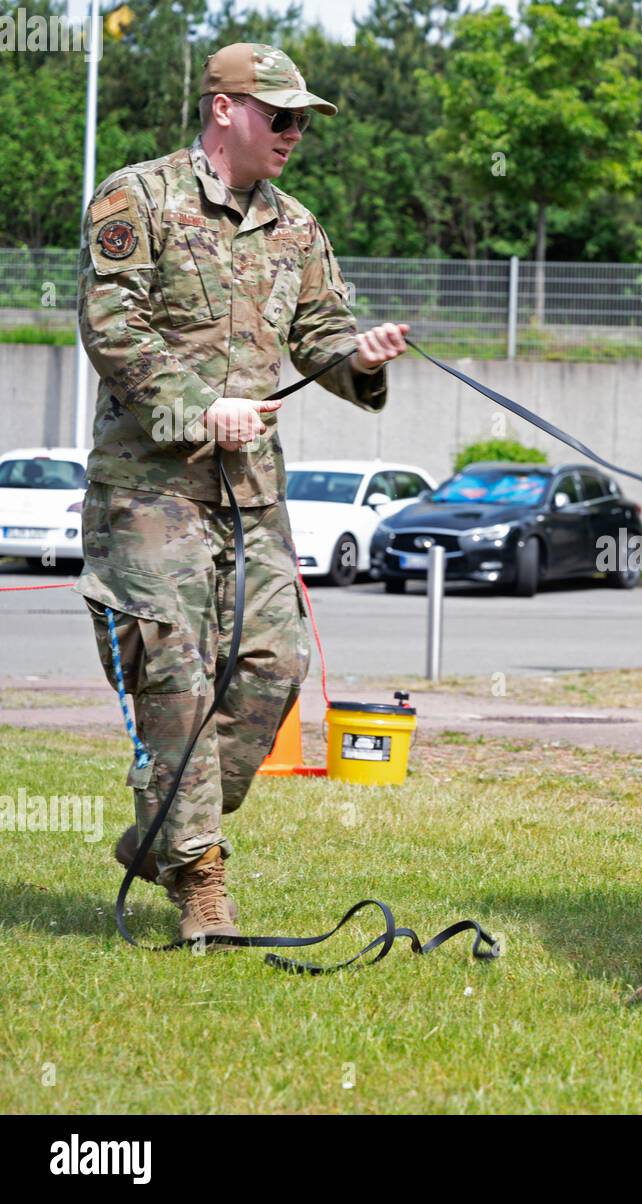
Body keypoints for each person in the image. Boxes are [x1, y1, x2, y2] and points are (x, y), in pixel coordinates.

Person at [75, 43, 409, 944]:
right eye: (282, 116)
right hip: (150, 493)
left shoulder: (296, 225)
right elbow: (112, 325)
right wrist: (198, 409)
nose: (296, 133)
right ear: (225, 111)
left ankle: (160, 829)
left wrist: (360, 357)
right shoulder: (136, 198)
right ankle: (198, 881)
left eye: (303, 119)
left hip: (252, 493)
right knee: (175, 679)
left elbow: (322, 330)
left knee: (275, 667)